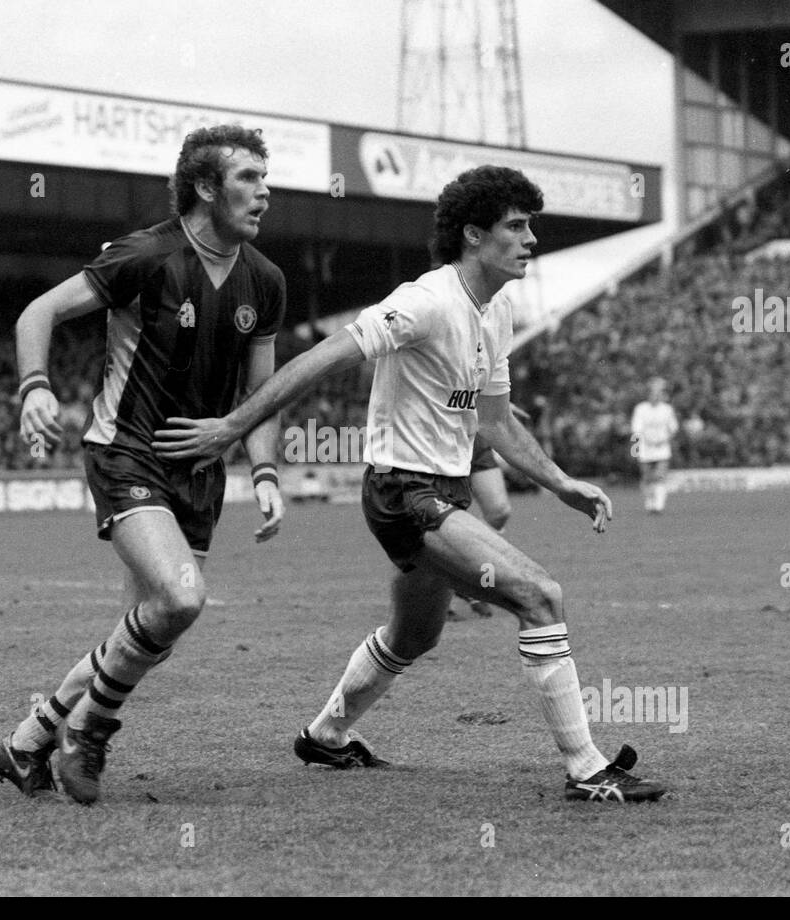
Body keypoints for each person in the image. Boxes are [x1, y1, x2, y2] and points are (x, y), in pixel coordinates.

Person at [156, 166, 667, 803]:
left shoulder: (497, 310)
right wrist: (234, 427)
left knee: (415, 635)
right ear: (474, 237)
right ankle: (586, 768)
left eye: (530, 225)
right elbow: (321, 358)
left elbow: (497, 420)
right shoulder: (426, 300)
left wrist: (561, 482)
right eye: (517, 226)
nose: (531, 239)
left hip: (441, 492)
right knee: (540, 595)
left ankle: (325, 736)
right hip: (405, 493)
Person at [0, 125, 287, 804]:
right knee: (181, 597)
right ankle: (91, 727)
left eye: (266, 178)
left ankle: (27, 742)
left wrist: (264, 473)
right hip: (127, 455)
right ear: (206, 188)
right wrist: (35, 387)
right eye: (248, 178)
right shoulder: (147, 256)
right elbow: (39, 311)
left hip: (201, 476)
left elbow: (260, 396)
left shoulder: (264, 281)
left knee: (151, 627)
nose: (265, 193)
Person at [449, 403, 529, 620]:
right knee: (439, 515)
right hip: (439, 432)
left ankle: (456, 575)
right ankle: (446, 580)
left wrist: (500, 402)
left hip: (473, 433)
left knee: (499, 510)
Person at [629, 377, 678, 514]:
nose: (655, 396)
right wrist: (635, 451)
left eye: (658, 393)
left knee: (660, 475)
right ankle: (649, 502)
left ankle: (659, 505)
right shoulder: (640, 409)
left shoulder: (667, 409)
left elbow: (673, 429)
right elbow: (636, 431)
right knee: (647, 477)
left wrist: (664, 439)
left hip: (662, 448)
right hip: (645, 448)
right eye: (653, 393)